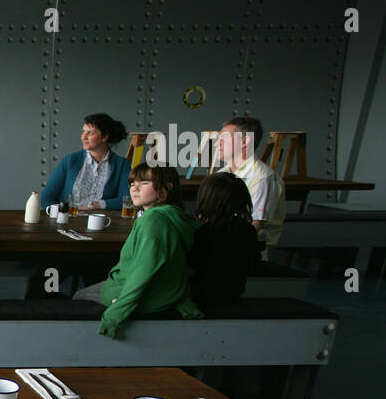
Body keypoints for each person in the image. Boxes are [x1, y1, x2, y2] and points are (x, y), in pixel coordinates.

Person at [74, 162, 201, 339]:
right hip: (164, 294)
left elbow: (143, 272)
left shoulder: (153, 221)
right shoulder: (174, 215)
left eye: (144, 183)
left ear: (167, 188)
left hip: (146, 297)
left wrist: (114, 316)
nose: (135, 188)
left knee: (79, 295)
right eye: (133, 183)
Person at [217, 115, 284, 260]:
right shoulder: (221, 174)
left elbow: (255, 225)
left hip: (247, 254)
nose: (217, 144)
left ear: (244, 141)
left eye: (223, 139)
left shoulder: (263, 178)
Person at [189, 171, 260, 307]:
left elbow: (192, 270)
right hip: (233, 296)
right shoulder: (248, 230)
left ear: (206, 198)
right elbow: (253, 264)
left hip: (200, 299)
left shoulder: (203, 232)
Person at [41, 113, 132, 212]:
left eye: (90, 133)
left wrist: (95, 205)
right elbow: (46, 197)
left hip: (103, 223)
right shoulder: (70, 160)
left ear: (105, 136)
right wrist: (62, 214)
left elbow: (127, 201)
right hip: (67, 222)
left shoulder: (122, 165)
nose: (83, 137)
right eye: (83, 132)